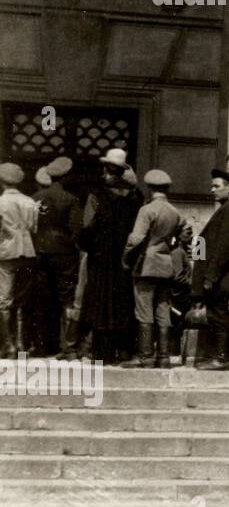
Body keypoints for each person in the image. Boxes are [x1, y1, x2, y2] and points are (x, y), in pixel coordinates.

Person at [121, 169, 192, 368]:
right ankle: (163, 356)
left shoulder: (147, 210)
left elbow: (136, 239)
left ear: (149, 188)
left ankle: (145, 356)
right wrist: (180, 251)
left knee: (144, 311)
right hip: (166, 264)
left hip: (147, 264)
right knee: (163, 309)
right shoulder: (175, 211)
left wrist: (126, 258)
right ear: (167, 188)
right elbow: (189, 236)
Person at [77, 149, 142, 362]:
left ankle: (103, 353)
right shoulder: (136, 196)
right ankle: (124, 350)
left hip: (101, 257)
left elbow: (87, 227)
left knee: (100, 301)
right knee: (124, 300)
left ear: (106, 169)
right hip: (126, 257)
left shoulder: (97, 195)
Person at [193, 169, 229, 371]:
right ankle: (216, 355)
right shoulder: (225, 209)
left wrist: (209, 277)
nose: (212, 190)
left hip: (221, 277)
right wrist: (196, 263)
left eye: (216, 186)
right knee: (216, 315)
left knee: (219, 316)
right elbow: (202, 241)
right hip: (215, 275)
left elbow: (224, 247)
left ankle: (222, 358)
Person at [33, 157, 82, 360]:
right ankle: (68, 346)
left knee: (42, 297)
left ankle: (42, 345)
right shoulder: (71, 199)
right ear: (66, 177)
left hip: (40, 251)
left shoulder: (36, 197)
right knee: (67, 299)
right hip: (64, 253)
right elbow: (76, 230)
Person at [0, 162, 39, 359]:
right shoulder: (30, 202)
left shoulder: (1, 203)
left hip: (6, 253)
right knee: (22, 300)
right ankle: (22, 343)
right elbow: (33, 229)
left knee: (4, 300)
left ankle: (8, 345)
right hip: (28, 252)